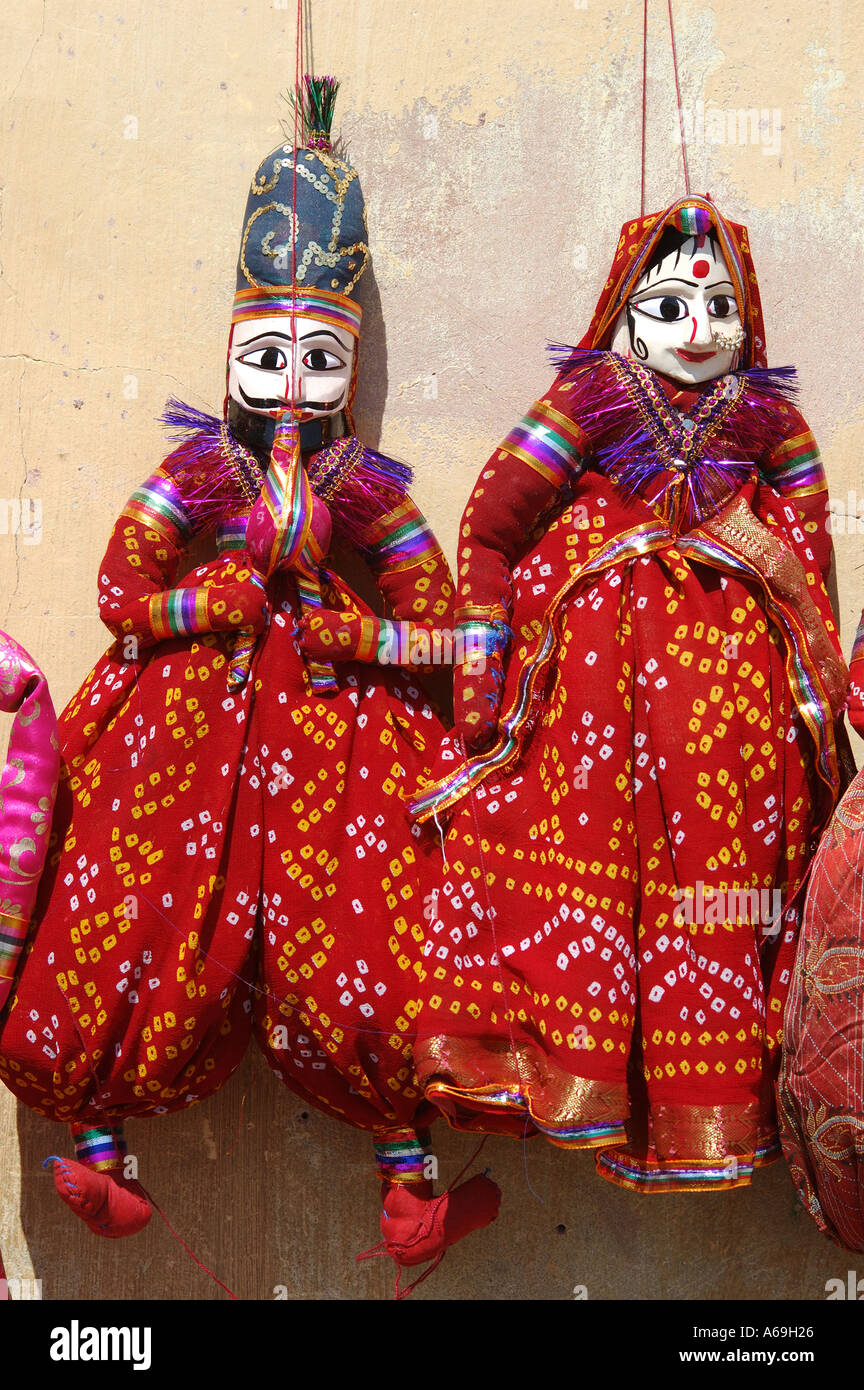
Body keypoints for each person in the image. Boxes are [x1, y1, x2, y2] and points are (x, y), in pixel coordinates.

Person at [0, 77, 498, 1274]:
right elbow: (123, 593)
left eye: (322, 360)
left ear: (353, 363)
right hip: (186, 718)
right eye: (268, 356)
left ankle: (407, 1172)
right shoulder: (202, 470)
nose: (290, 386)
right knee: (131, 908)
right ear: (231, 353)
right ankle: (97, 1138)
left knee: (371, 938)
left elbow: (449, 627)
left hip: (338, 735)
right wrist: (194, 606)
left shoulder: (368, 493)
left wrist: (362, 641)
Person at [411, 194, 850, 1193]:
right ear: (620, 315)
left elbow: (812, 545)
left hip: (737, 724)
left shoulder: (770, 415)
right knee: (595, 881)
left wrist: (823, 690)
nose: (698, 327)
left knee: (719, 901)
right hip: (595, 712)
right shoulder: (592, 398)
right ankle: (568, 1073)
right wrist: (480, 693)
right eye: (667, 305)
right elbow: (490, 520)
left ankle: (713, 1108)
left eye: (719, 306)